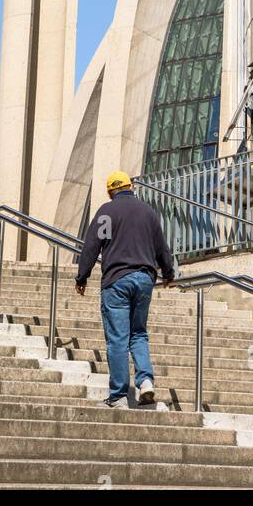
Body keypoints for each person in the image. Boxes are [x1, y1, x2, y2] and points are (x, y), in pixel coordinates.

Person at [75, 171, 176, 409]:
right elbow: (162, 247)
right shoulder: (148, 212)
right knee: (138, 333)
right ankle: (146, 381)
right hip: (144, 279)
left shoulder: (107, 212)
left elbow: (92, 245)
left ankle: (119, 395)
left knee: (118, 338)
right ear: (131, 187)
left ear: (110, 191)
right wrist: (169, 273)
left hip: (117, 279)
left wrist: (82, 276)